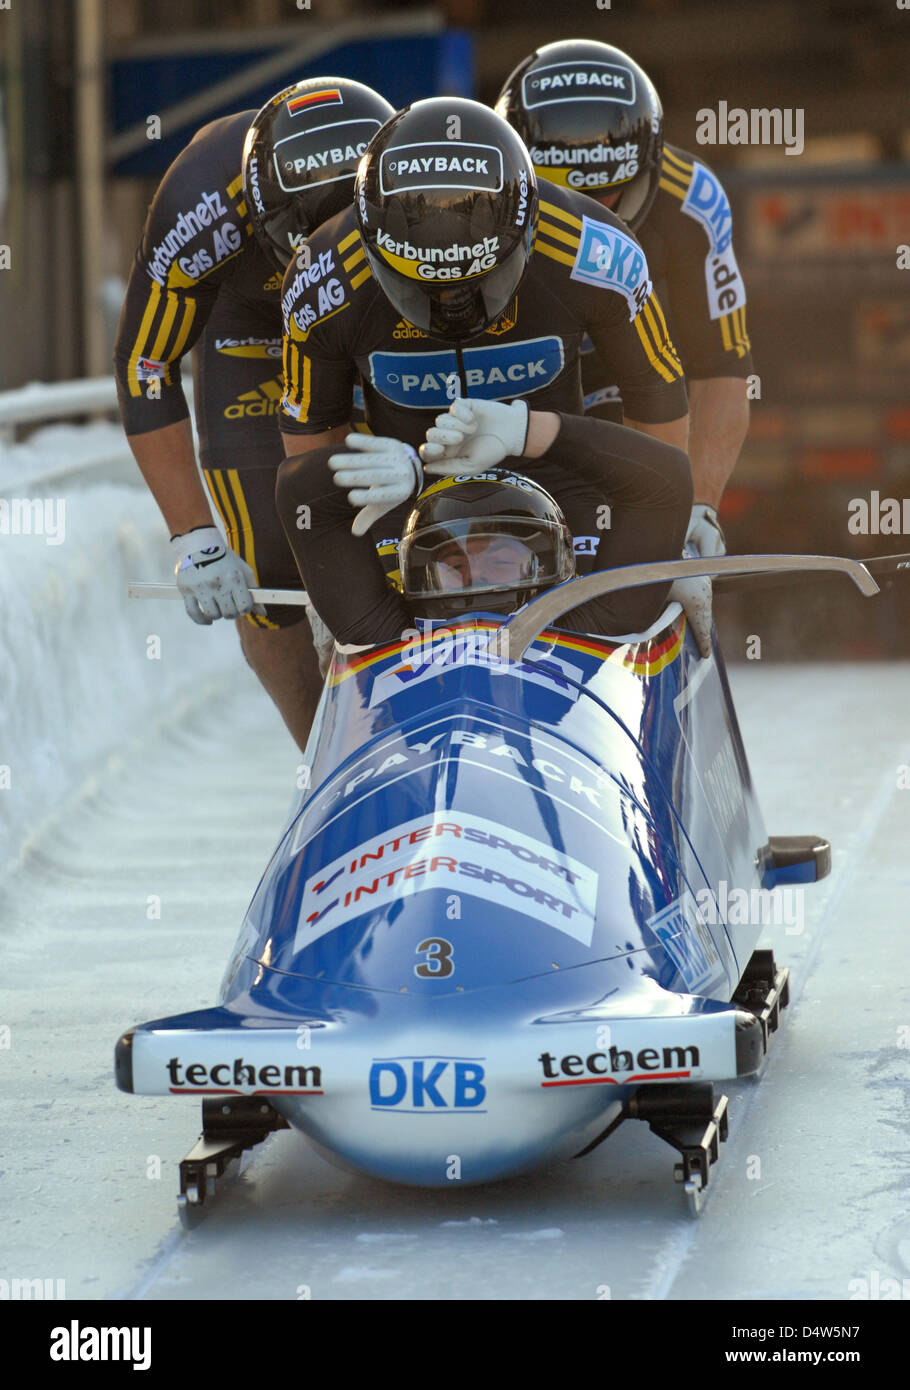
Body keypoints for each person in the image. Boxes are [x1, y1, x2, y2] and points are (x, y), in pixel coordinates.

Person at [277, 95, 690, 597]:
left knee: (612, 608)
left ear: (528, 231)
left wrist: (667, 545)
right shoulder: (321, 282)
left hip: (561, 478)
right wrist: (333, 574)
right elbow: (312, 427)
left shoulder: (598, 254)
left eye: (475, 283)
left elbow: (655, 394)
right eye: (424, 286)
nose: (452, 307)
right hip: (402, 489)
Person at [113, 77, 395, 749]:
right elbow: (145, 364)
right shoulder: (199, 208)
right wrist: (195, 537)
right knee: (270, 562)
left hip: (372, 312)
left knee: (403, 523)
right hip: (252, 328)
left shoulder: (406, 182)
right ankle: (317, 764)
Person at [496, 40, 753, 651]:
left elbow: (721, 367)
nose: (587, 217)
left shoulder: (692, 201)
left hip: (631, 373)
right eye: (564, 199)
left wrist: (696, 510)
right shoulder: (479, 202)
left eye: (608, 198)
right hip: (517, 372)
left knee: (623, 516)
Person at [276, 402, 692, 647]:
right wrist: (410, 463)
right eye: (453, 565)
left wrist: (530, 429)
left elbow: (667, 478)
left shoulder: (593, 624)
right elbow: (297, 491)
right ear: (421, 576)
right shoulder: (386, 630)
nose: (478, 579)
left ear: (550, 563)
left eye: (502, 559)